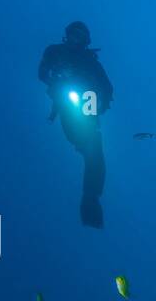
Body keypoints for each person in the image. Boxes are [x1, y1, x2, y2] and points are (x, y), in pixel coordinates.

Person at [38, 21, 113, 228]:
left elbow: (108, 88)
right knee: (82, 141)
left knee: (94, 148)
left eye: (80, 36)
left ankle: (91, 198)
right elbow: (42, 71)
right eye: (73, 34)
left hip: (86, 107)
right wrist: (53, 78)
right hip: (65, 102)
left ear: (86, 40)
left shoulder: (92, 63)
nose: (75, 39)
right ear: (67, 35)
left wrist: (99, 103)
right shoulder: (55, 52)